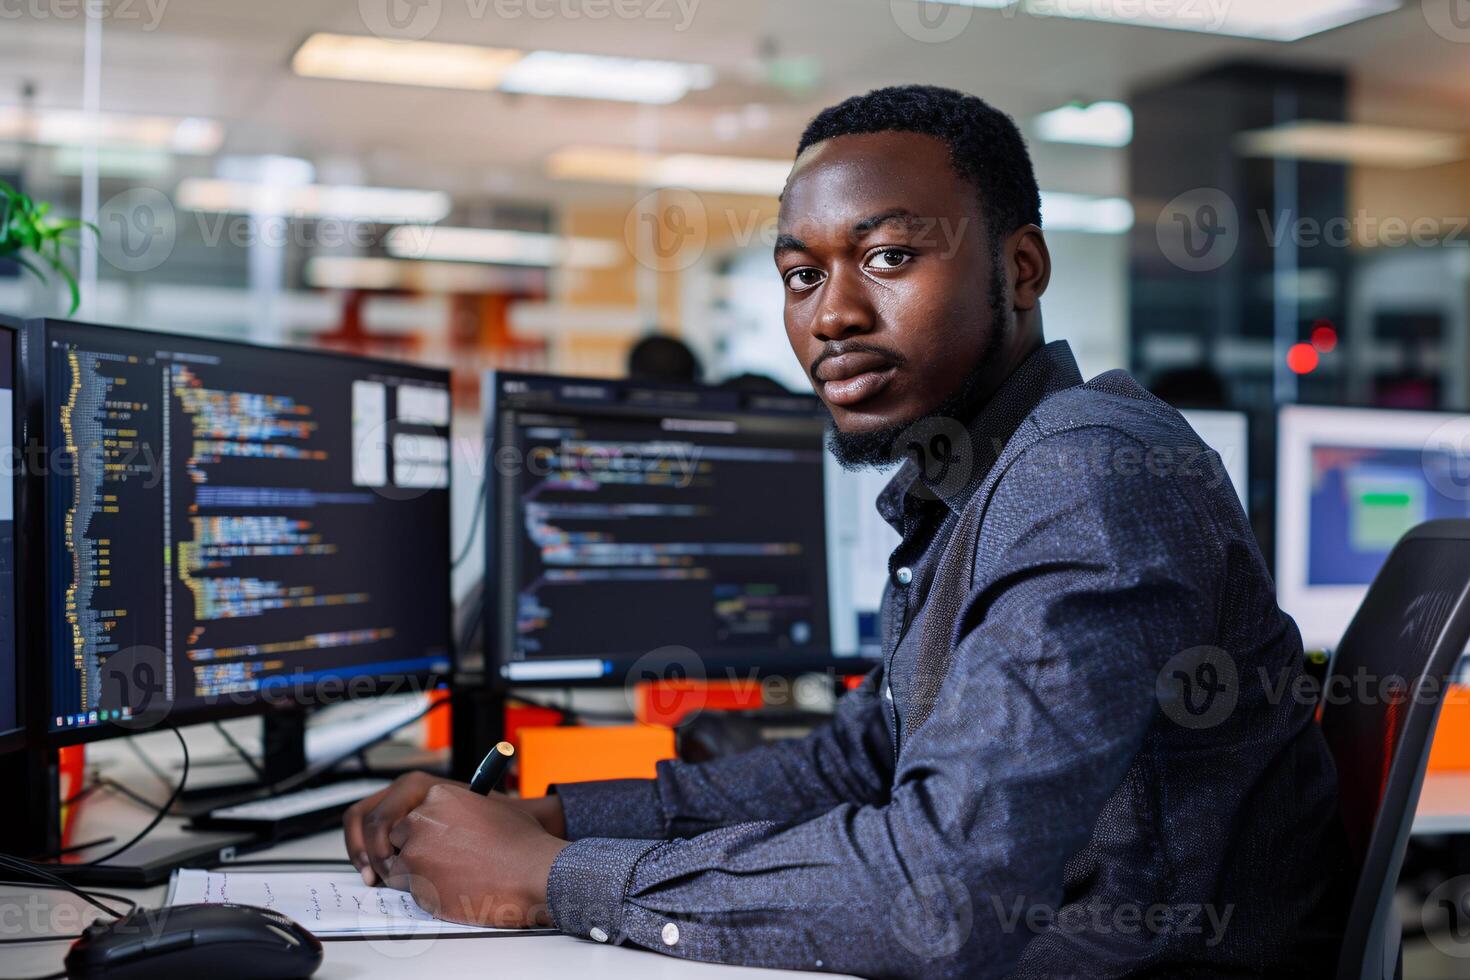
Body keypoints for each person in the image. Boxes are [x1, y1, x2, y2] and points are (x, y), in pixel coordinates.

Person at [344, 85, 1351, 977]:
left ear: (1024, 268)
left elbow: (940, 890)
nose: (832, 315)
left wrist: (553, 875)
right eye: (802, 275)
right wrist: (556, 816)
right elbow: (859, 762)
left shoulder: (1084, 475)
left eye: (888, 256)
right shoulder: (973, 487)